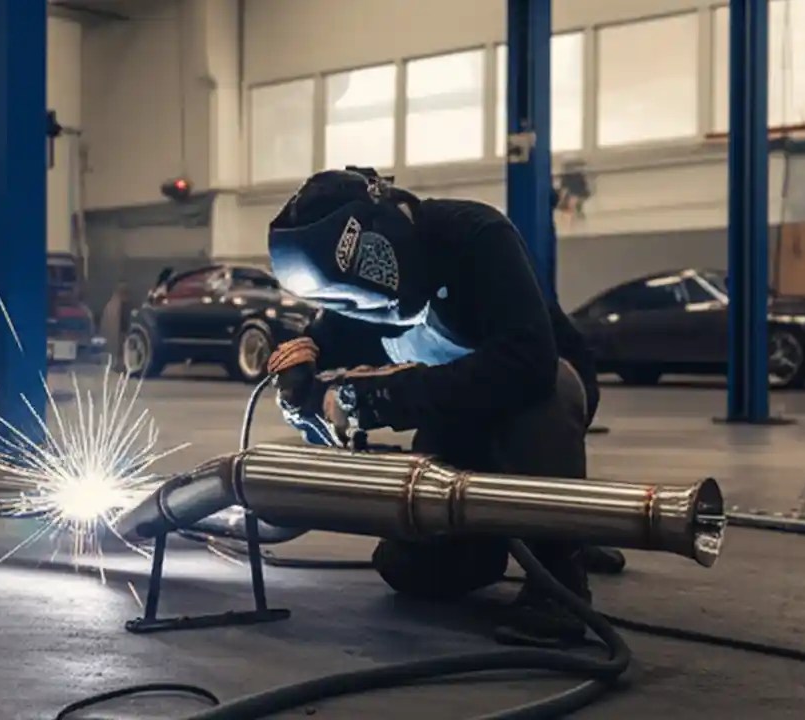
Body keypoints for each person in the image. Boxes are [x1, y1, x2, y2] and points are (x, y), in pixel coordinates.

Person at [262, 167, 611, 647]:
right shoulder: (361, 298)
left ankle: (559, 573)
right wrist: (298, 372)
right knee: (409, 570)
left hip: (538, 401)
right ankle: (519, 533)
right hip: (457, 421)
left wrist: (376, 398)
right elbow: (319, 339)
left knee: (549, 388)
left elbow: (527, 362)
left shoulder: (474, 236)